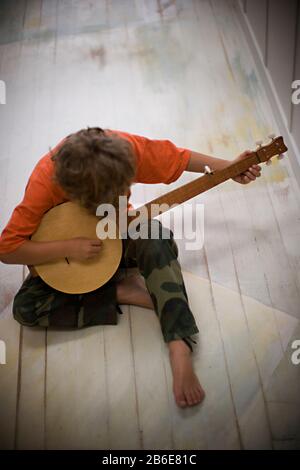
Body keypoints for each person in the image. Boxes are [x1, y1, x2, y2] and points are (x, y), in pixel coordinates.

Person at [0, 127, 261, 408]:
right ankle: (119, 292)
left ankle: (178, 344)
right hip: (71, 254)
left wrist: (230, 167)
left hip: (118, 235)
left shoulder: (122, 149)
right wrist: (69, 248)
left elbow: (178, 158)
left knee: (155, 235)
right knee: (25, 308)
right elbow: (7, 248)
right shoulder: (45, 180)